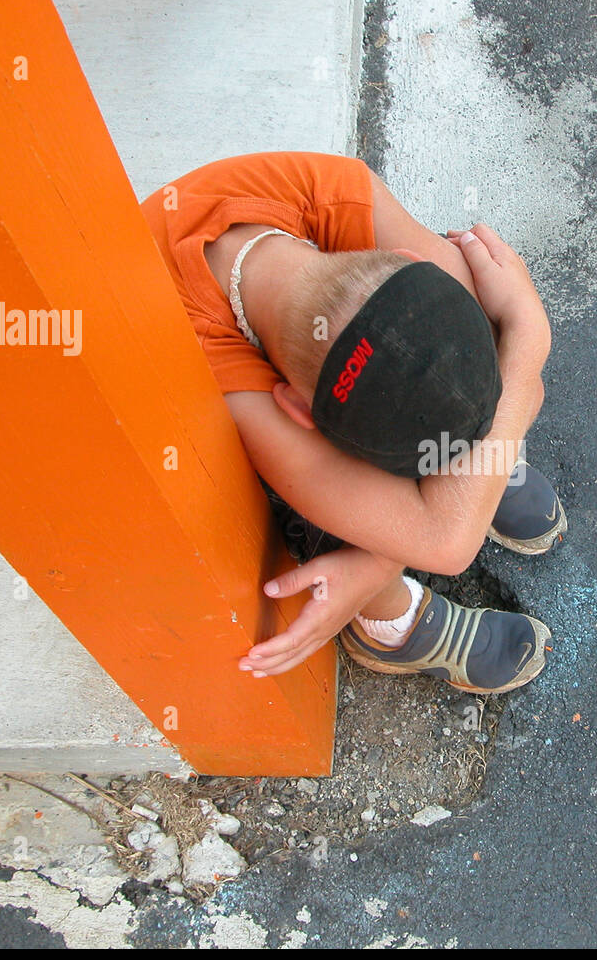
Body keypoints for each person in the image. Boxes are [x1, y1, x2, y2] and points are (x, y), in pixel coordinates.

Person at [140, 152, 564, 693]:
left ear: (408, 259)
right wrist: (528, 336)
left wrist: (371, 566)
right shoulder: (215, 381)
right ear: (296, 411)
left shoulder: (335, 189)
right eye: (436, 463)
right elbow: (447, 544)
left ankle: (475, 471)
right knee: (323, 531)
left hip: (303, 359)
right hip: (188, 377)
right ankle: (390, 626)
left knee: (483, 369)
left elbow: (517, 384)